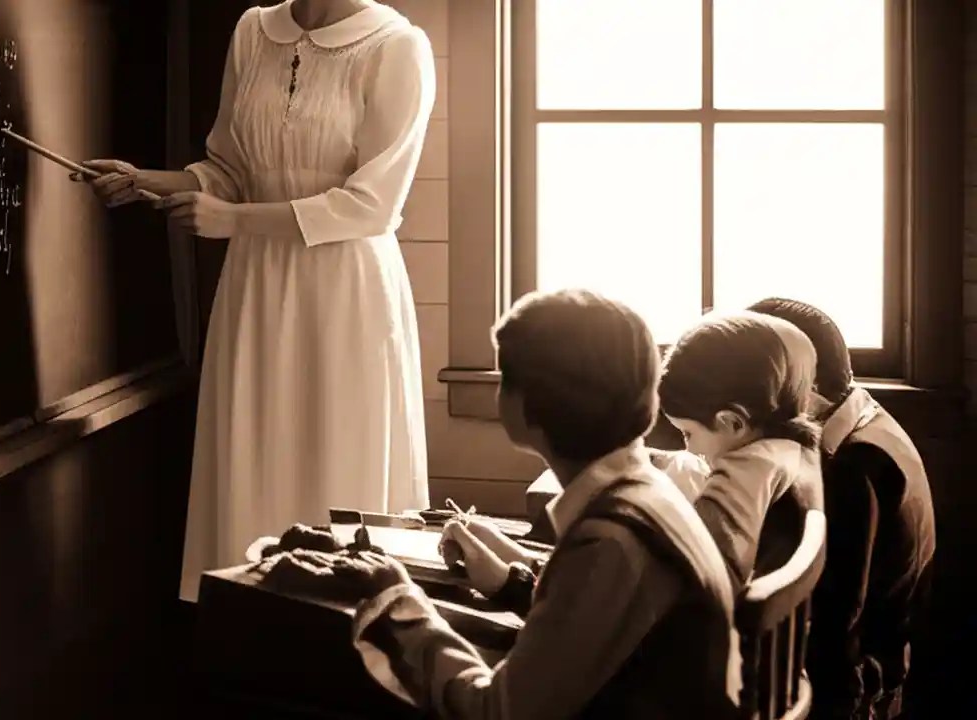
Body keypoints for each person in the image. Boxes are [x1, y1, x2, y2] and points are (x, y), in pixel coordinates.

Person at [77, 0, 435, 602]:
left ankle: (349, 635)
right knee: (253, 456)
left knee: (338, 459)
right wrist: (144, 181)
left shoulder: (395, 46)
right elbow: (229, 170)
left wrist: (233, 220)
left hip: (344, 292)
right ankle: (252, 633)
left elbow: (373, 206)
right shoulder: (252, 31)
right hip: (255, 287)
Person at [284, 289, 742, 718]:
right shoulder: (650, 491)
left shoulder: (608, 542)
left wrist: (393, 597)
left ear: (526, 408)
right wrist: (510, 582)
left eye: (505, 379)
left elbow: (498, 711)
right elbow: (595, 627)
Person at [748, 297, 936, 720]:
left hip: (857, 693)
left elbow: (836, 627)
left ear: (794, 381)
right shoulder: (865, 418)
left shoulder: (849, 468)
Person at [657, 310, 826, 592]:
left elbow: (698, 577)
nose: (688, 446)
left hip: (726, 624)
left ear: (733, 421)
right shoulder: (792, 447)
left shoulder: (750, 467)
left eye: (688, 433)